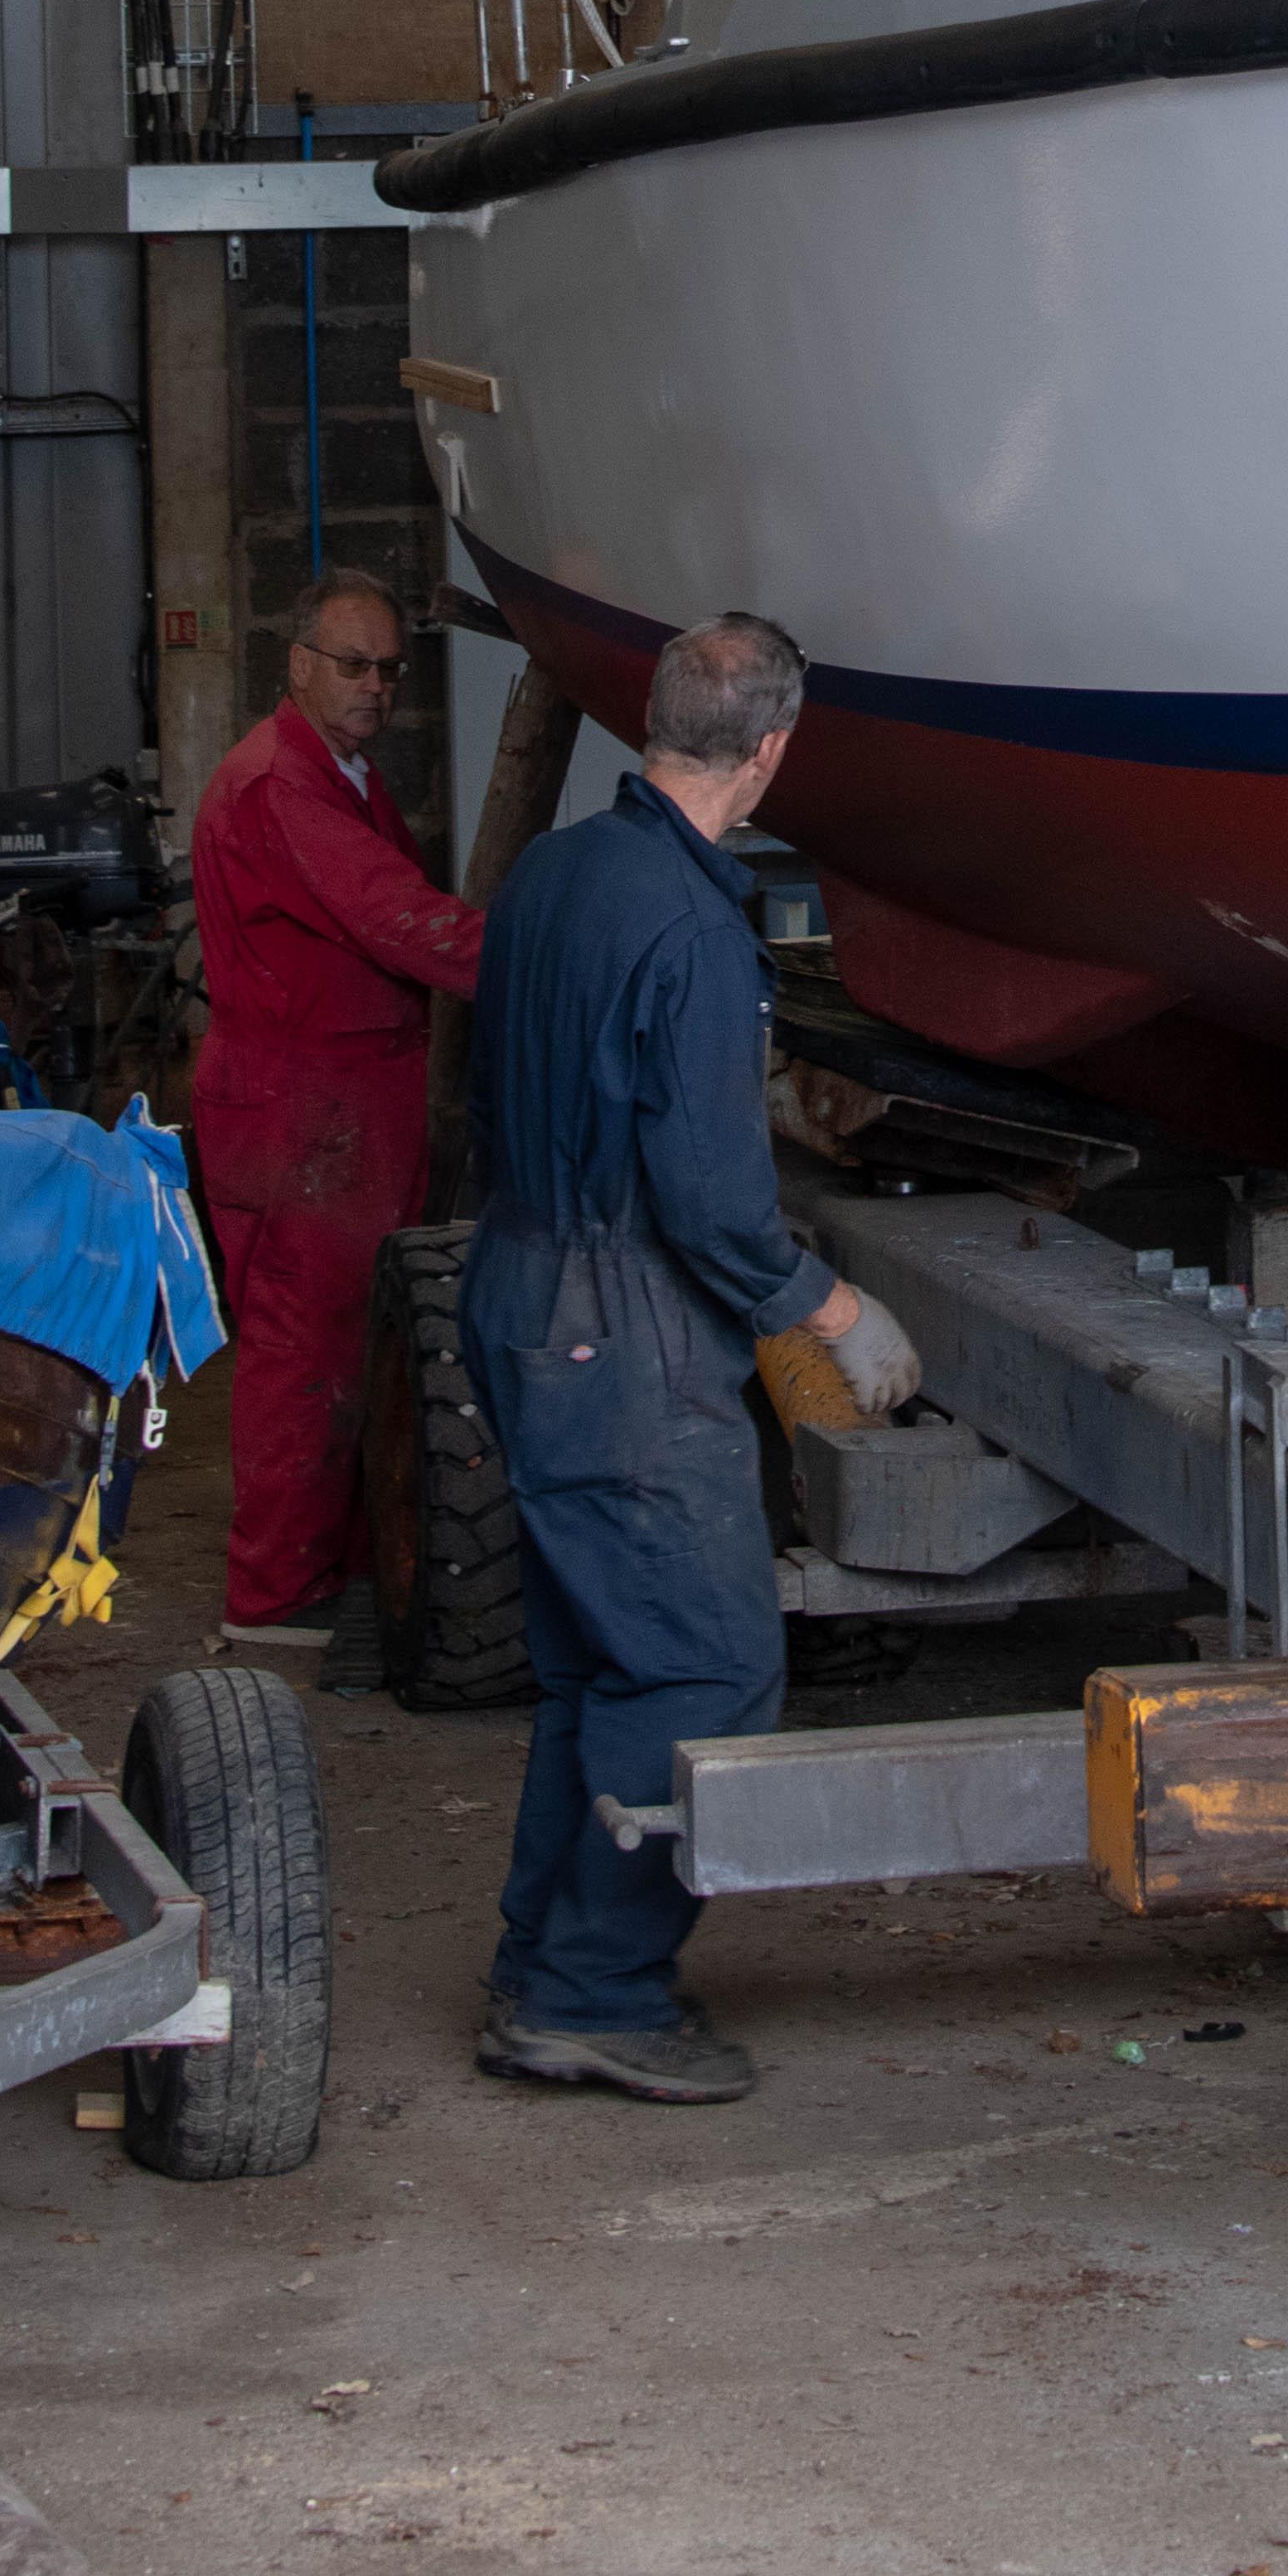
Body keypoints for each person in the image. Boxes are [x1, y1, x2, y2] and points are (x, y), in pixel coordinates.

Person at [462, 606, 866, 2109]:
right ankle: (595, 1993)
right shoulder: (699, 928)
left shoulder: (554, 873)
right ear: (769, 753)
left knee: (594, 1670)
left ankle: (539, 1967)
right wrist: (821, 1306)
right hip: (618, 1323)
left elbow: (489, 1090)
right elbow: (708, 1198)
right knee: (703, 1662)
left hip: (517, 1278)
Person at [184, 573, 487, 1656]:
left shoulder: (347, 777)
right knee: (304, 1355)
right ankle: (274, 1599)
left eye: (390, 668)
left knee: (357, 1346)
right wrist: (543, 951)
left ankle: (350, 1566)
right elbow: (396, 918)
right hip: (302, 1117)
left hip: (348, 1109)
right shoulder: (282, 787)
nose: (374, 686)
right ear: (297, 663)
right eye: (352, 664)